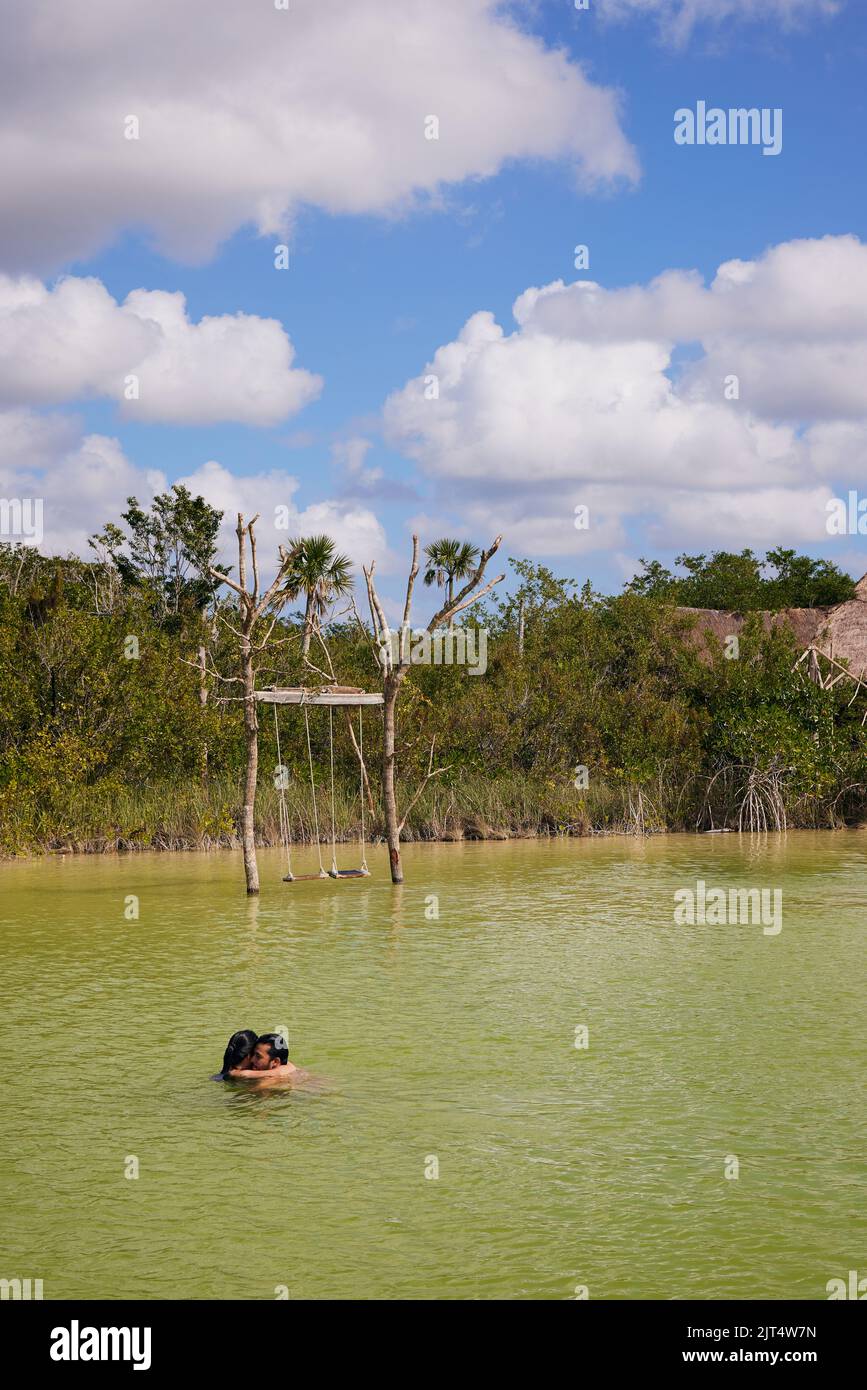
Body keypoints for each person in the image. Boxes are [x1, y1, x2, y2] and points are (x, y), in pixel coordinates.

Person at [230, 1032, 299, 1084]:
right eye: (253, 1054)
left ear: (275, 1062)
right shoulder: (287, 1068)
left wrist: (238, 1073)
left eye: (258, 1056)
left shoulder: (268, 1082)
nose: (252, 1059)